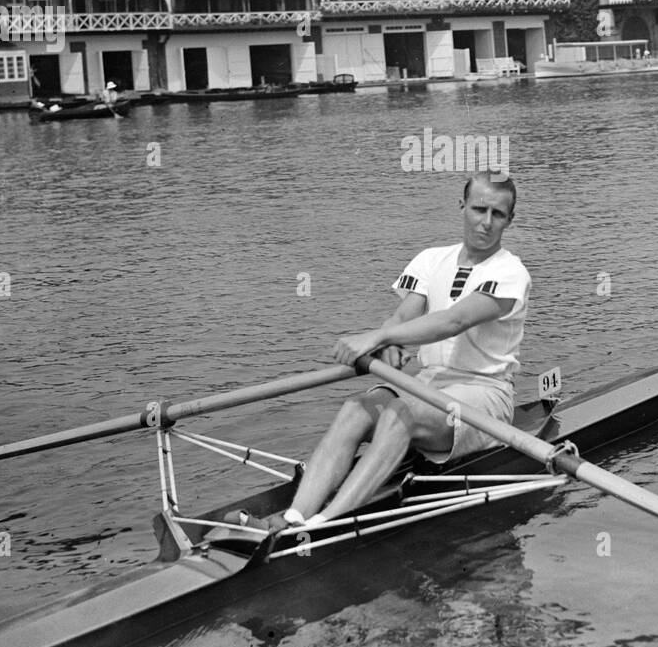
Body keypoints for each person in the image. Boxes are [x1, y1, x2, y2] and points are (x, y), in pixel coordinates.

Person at [223, 171, 529, 538]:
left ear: (509, 221)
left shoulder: (510, 272)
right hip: (429, 385)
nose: (486, 222)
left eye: (498, 214)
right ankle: (296, 517)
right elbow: (403, 317)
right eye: (479, 209)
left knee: (398, 413)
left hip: (485, 395)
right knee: (356, 408)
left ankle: (326, 523)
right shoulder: (431, 260)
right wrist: (391, 342)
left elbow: (454, 320)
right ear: (462, 206)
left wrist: (376, 336)